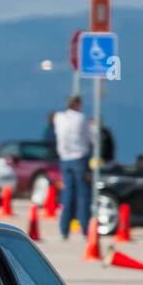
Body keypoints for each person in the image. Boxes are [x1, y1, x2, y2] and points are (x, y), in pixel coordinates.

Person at [53, 94, 91, 239]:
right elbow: (90, 137)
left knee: (68, 194)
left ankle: (64, 230)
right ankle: (85, 229)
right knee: (83, 195)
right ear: (78, 105)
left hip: (64, 158)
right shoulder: (81, 118)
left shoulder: (59, 118)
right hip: (79, 157)